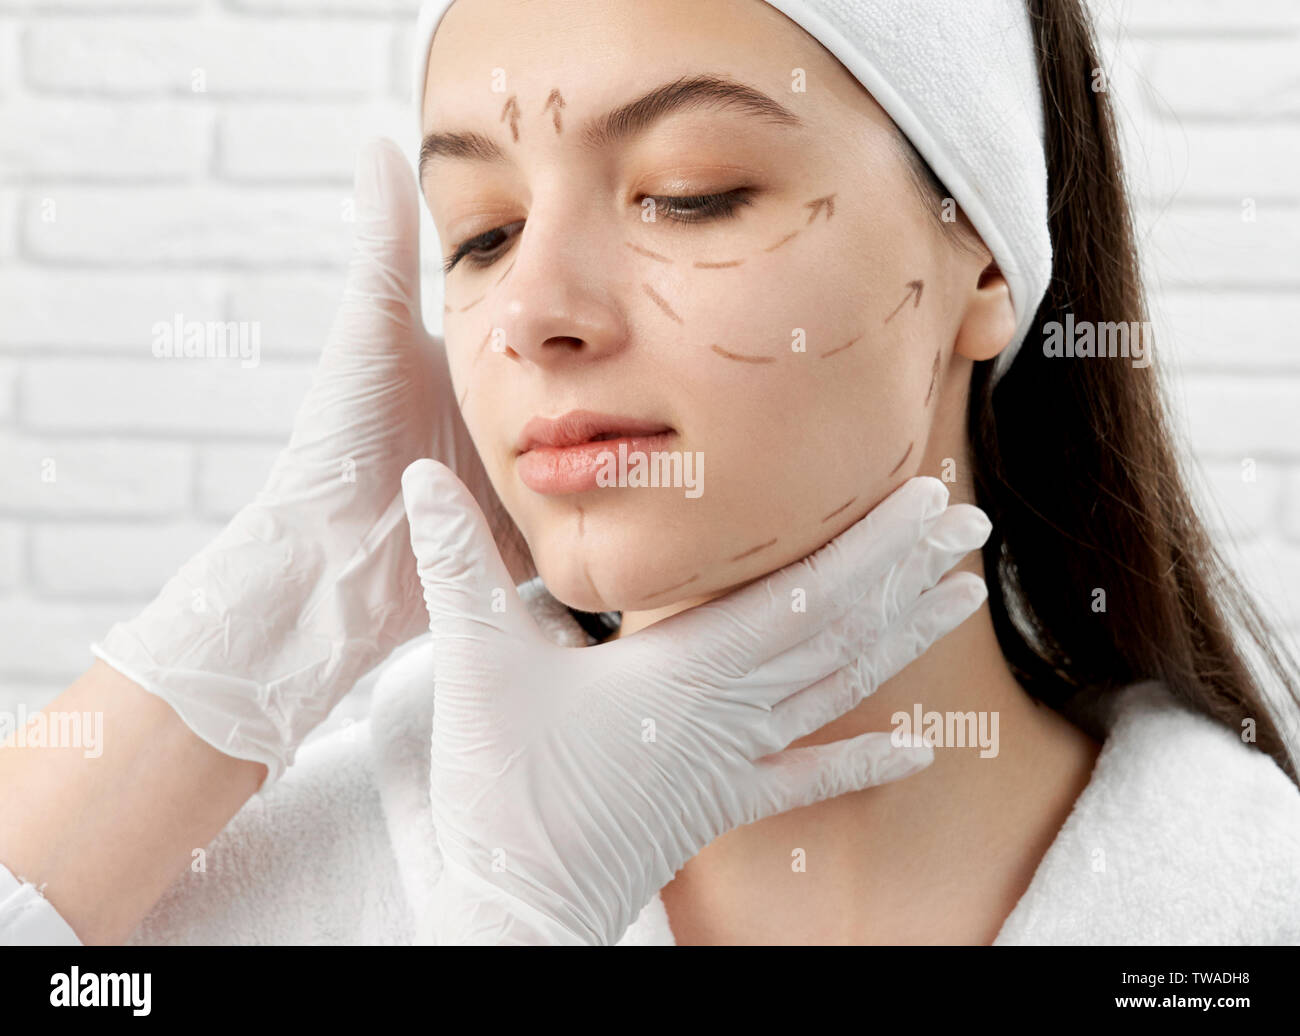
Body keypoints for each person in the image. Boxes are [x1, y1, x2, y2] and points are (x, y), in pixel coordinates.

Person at [3, 0, 1299, 946]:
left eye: (689, 195)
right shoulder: (227, 892)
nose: (530, 313)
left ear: (985, 264)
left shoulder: (1245, 908)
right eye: (484, 235)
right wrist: (302, 586)